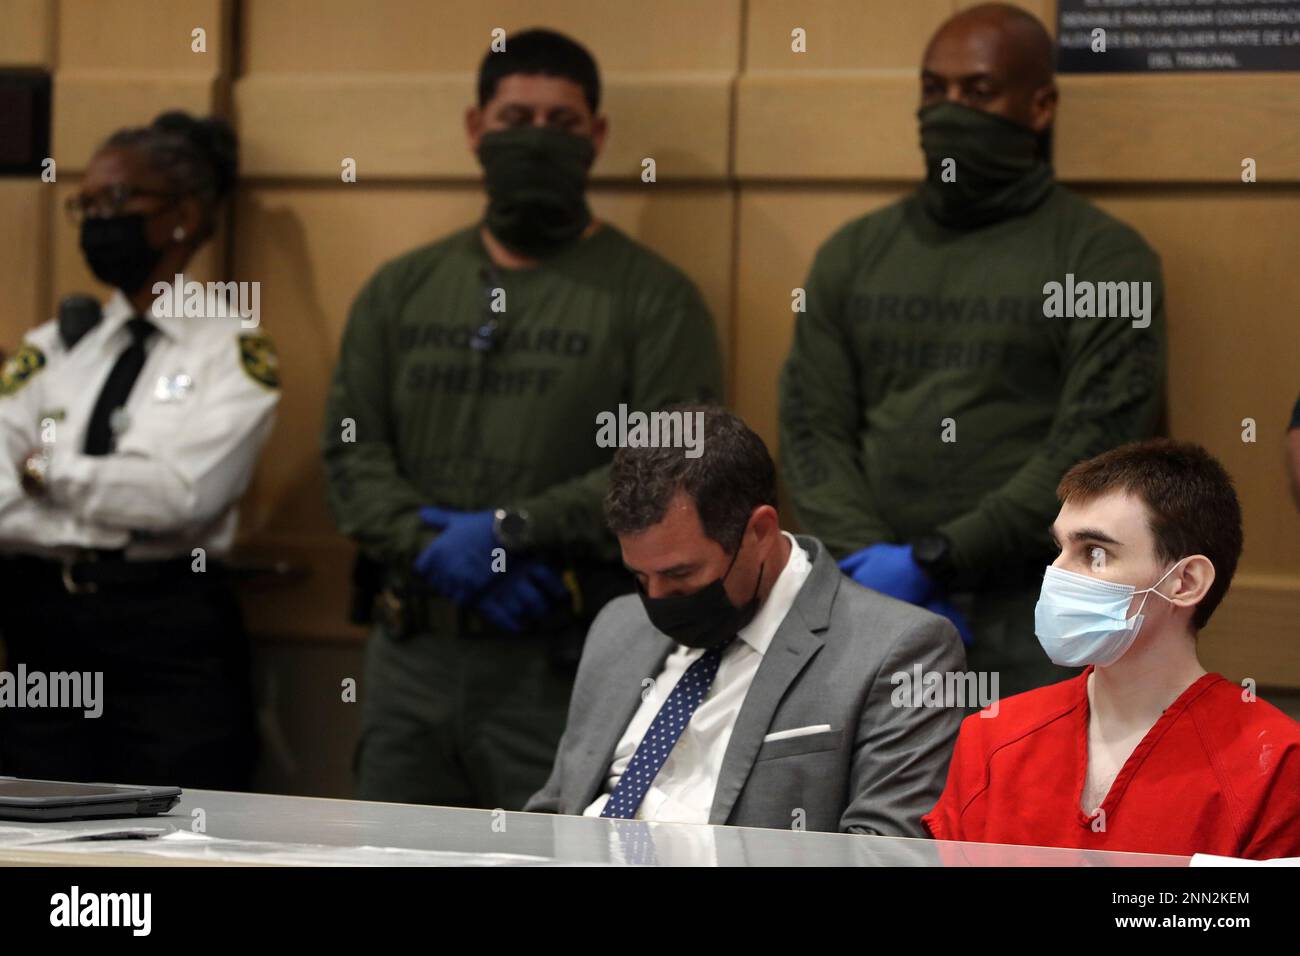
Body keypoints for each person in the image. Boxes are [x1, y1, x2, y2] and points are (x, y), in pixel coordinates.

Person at [322, 29, 723, 810]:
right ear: (476, 128)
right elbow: (351, 454)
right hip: (411, 660)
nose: (537, 140)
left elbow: (669, 462)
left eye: (561, 124)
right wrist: (437, 549)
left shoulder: (655, 299)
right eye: (515, 119)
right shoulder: (400, 290)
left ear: (597, 137)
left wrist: (512, 527)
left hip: (563, 660)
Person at [779, 3, 1166, 696]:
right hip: (867, 609)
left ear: (1040, 104)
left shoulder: (1102, 256)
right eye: (935, 90)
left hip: (1038, 614)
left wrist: (940, 558)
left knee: (1021, 800)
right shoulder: (854, 253)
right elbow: (812, 431)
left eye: (979, 92)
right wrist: (878, 568)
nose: (950, 110)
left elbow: (1095, 446)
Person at [0, 112, 278, 790]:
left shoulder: (231, 349)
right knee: (35, 823)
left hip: (167, 627)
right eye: (87, 203)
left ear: (182, 216)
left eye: (119, 200)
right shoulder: (58, 346)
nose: (99, 218)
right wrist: (90, 498)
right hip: (44, 621)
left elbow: (184, 498)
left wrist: (45, 472)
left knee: (179, 830)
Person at [525, 406, 965, 834]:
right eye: (640, 576)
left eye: (680, 574)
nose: (656, 600)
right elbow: (557, 807)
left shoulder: (902, 650)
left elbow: (883, 853)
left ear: (759, 531)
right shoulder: (619, 624)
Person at [924, 439, 1300, 859]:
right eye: (1059, 548)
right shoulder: (992, 738)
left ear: (1187, 582)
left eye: (1095, 553)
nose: (1057, 573)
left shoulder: (1276, 764)